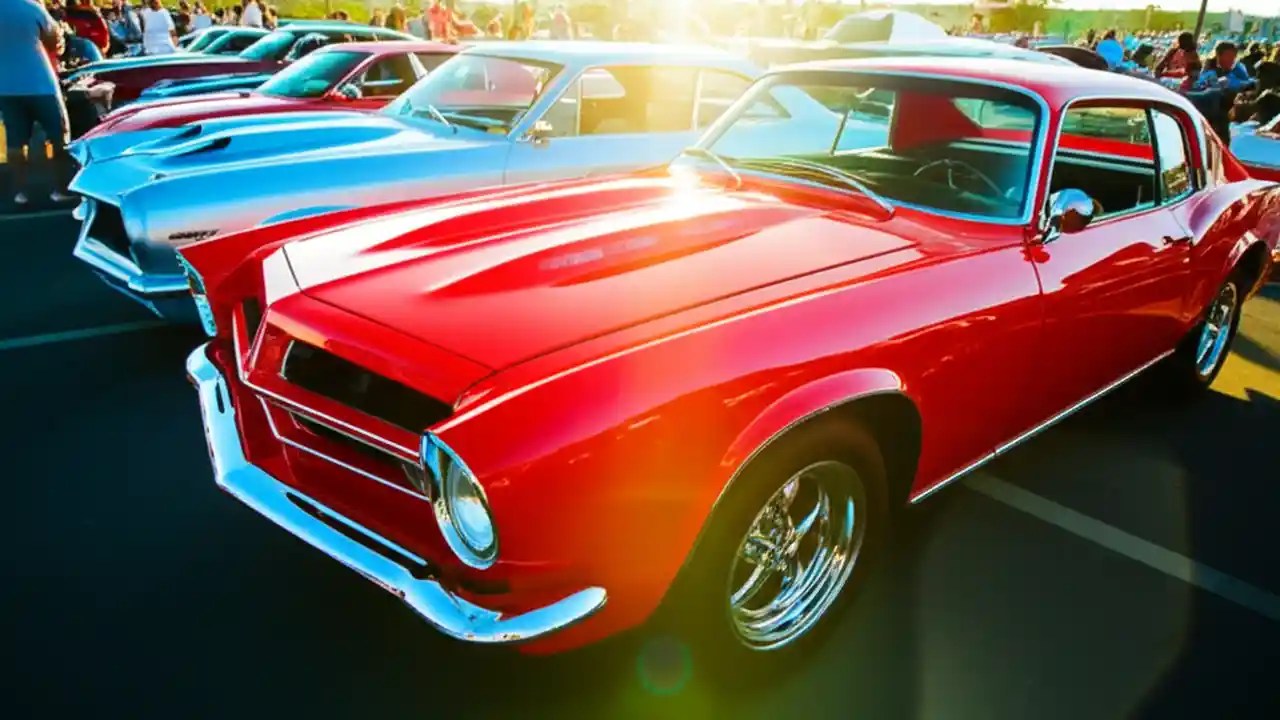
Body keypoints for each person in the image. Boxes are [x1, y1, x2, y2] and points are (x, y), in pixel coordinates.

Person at [0, 0, 74, 205]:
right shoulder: (32, 8)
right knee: (59, 136)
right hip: (40, 84)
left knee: (15, 142)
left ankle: (19, 192)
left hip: (5, 86)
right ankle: (60, 189)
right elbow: (56, 44)